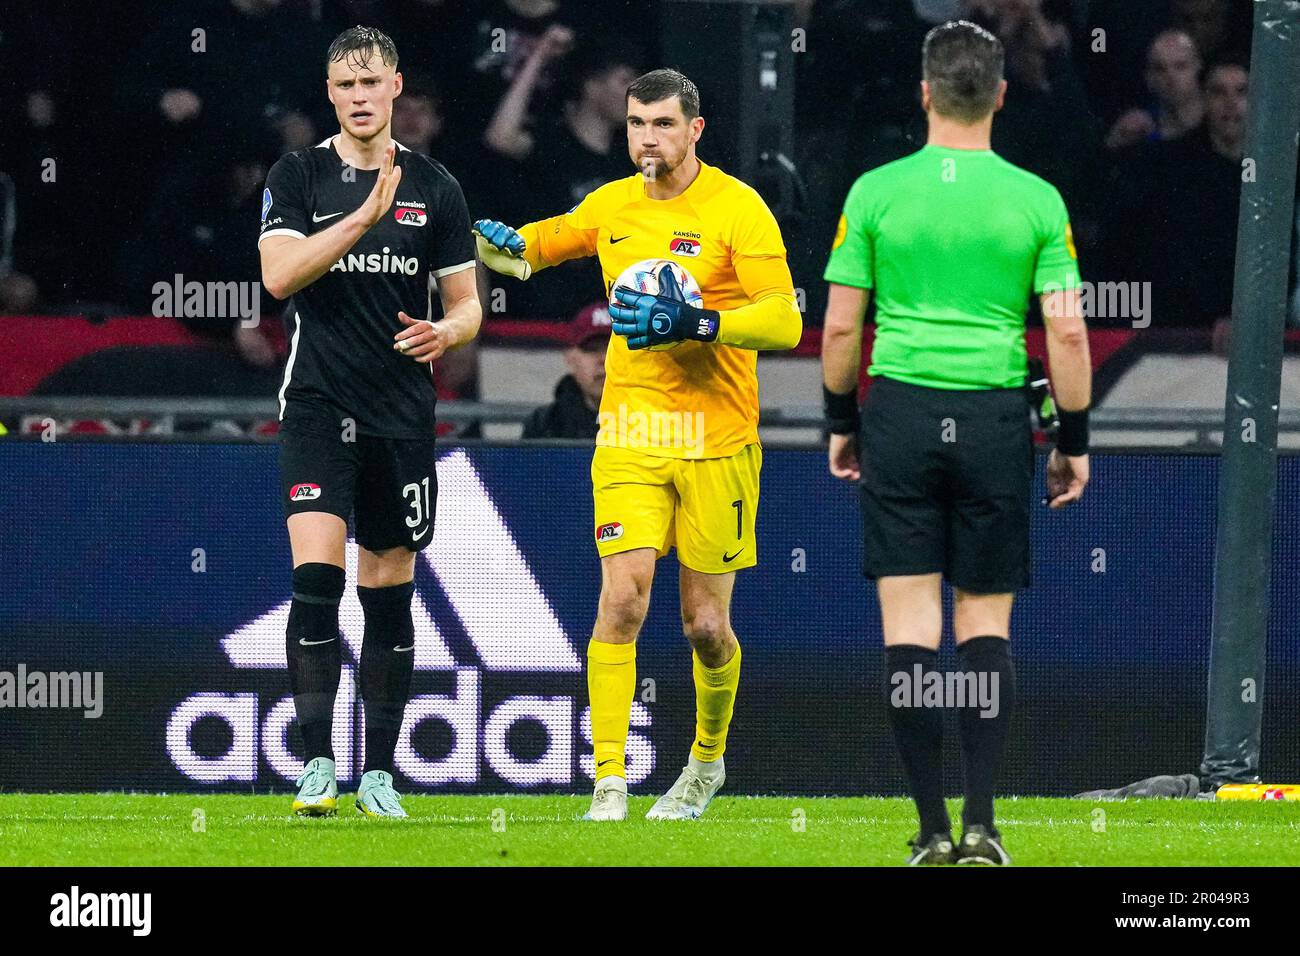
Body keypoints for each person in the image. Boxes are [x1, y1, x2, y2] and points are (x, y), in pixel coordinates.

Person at [475, 68, 802, 821]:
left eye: (660, 124)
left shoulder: (736, 208)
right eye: (634, 124)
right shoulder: (612, 204)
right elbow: (536, 249)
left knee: (706, 627)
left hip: (717, 438)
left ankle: (705, 765)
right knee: (622, 600)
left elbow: (783, 321)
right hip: (629, 432)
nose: (645, 138)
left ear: (694, 130)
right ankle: (610, 783)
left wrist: (700, 324)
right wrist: (502, 250)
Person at [820, 20, 1091, 865]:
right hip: (992, 418)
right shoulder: (1036, 199)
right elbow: (1069, 336)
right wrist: (1072, 438)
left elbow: (837, 328)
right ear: (1002, 95)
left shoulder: (876, 192)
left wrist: (841, 421)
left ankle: (931, 830)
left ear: (925, 93)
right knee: (983, 628)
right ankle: (982, 824)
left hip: (899, 411)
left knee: (909, 627)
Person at [257, 26, 482, 819]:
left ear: (395, 88)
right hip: (318, 405)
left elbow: (467, 305)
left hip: (399, 415)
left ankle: (380, 773)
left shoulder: (439, 187)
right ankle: (316, 765)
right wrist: (361, 218)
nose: (359, 97)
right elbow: (280, 276)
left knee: (388, 594)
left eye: (373, 83)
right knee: (316, 582)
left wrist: (446, 333)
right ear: (331, 93)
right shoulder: (299, 174)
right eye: (345, 86)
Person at [522, 302, 611, 440]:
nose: (603, 359)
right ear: (570, 358)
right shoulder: (544, 424)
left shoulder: (652, 421)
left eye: (614, 349)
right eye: (591, 349)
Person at [1104, 29, 1204, 151]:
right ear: (1148, 78)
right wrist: (1113, 145)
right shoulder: (1136, 129)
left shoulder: (1218, 118)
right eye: (1160, 69)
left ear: (1197, 67)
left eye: (1180, 66)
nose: (1170, 77)